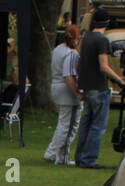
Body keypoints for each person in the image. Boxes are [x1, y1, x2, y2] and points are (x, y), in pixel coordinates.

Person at [73, 6, 125, 170]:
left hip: (87, 87)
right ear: (107, 23)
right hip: (98, 86)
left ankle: (80, 157)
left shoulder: (87, 37)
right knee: (98, 125)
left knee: (86, 123)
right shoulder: (102, 40)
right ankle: (89, 159)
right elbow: (103, 66)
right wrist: (120, 81)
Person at [45, 24, 81, 165]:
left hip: (56, 87)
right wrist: (77, 93)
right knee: (69, 125)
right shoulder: (71, 53)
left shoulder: (57, 50)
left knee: (62, 123)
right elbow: (68, 76)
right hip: (67, 91)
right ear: (77, 38)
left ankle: (52, 152)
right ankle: (62, 156)